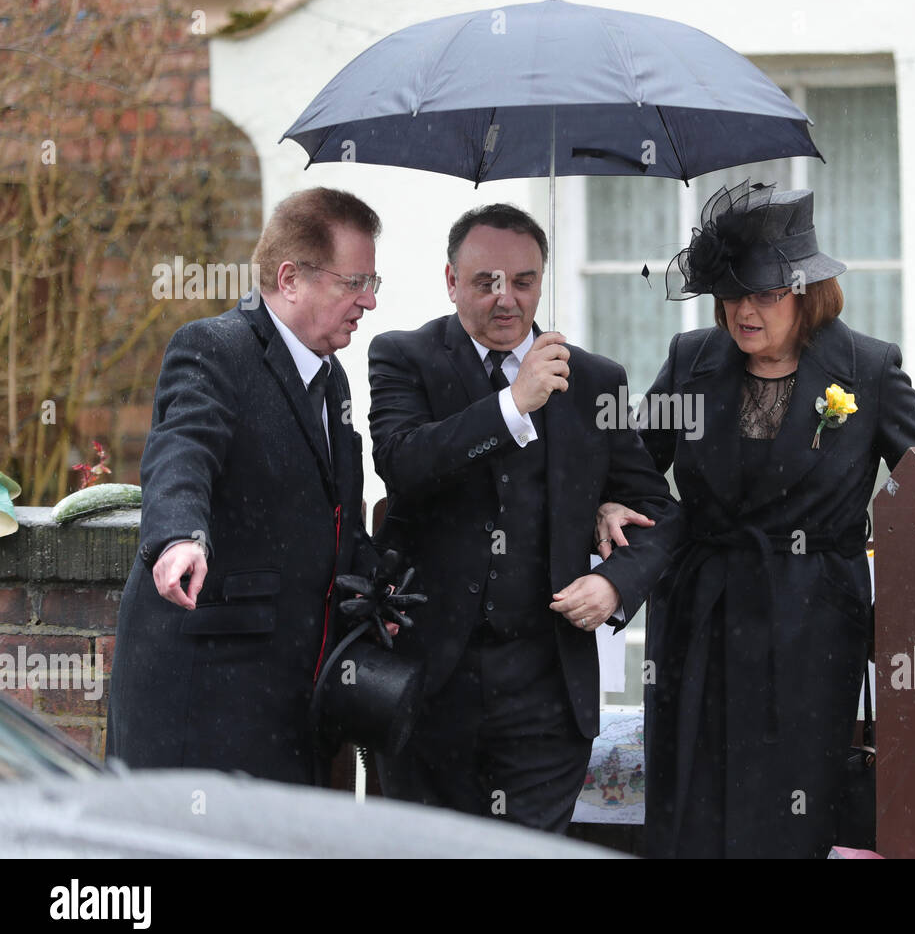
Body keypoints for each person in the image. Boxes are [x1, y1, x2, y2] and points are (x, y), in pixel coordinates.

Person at [599, 181, 915, 858]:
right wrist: (610, 498)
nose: (742, 310)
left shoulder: (868, 370)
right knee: (690, 797)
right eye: (730, 293)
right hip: (701, 611)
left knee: (789, 805)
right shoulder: (690, 359)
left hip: (810, 619)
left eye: (762, 294)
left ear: (806, 294)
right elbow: (635, 464)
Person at [367, 203, 681, 833]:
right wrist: (513, 405)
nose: (505, 299)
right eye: (485, 282)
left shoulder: (595, 380)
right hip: (427, 685)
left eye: (524, 281)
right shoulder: (404, 358)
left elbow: (660, 514)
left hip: (546, 696)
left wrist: (616, 583)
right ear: (451, 281)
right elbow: (403, 464)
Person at [107, 187, 383, 785]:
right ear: (290, 278)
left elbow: (335, 522)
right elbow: (183, 450)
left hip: (290, 706)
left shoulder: (332, 380)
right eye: (353, 283)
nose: (368, 302)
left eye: (373, 283)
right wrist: (180, 536)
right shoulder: (215, 347)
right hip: (205, 696)